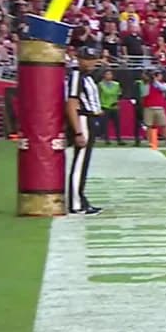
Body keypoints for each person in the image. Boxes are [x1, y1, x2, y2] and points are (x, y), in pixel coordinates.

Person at [66, 47, 104, 215]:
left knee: (84, 162)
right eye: (87, 58)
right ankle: (76, 203)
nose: (91, 62)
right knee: (80, 163)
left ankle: (80, 198)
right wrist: (78, 131)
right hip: (83, 119)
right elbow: (72, 104)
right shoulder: (76, 76)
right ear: (79, 59)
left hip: (90, 118)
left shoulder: (86, 77)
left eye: (93, 58)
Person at [98, 68, 124, 146]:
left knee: (117, 124)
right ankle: (107, 139)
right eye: (107, 74)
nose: (109, 76)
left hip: (114, 106)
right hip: (105, 106)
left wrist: (117, 102)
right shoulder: (100, 85)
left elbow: (119, 94)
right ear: (104, 75)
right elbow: (98, 96)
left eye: (110, 74)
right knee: (105, 124)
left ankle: (119, 139)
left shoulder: (117, 84)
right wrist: (99, 107)